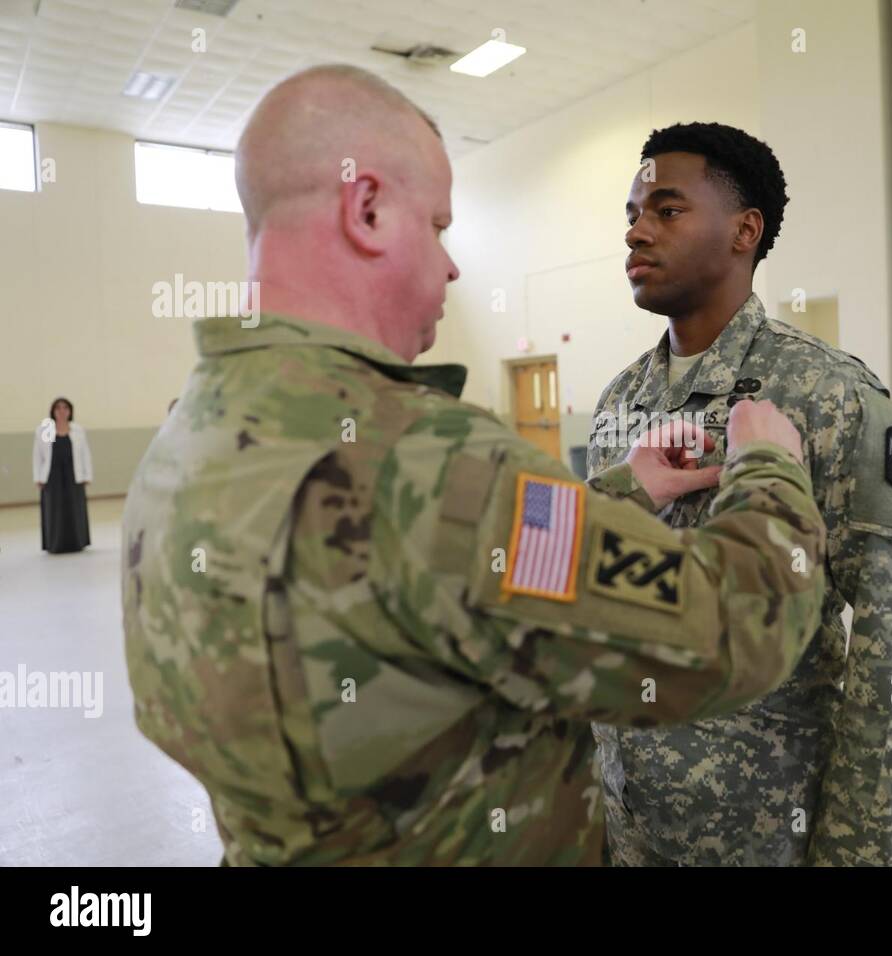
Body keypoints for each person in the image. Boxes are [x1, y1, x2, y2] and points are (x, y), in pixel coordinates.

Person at [121, 65, 829, 867]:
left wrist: (623, 490)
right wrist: (769, 466)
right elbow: (729, 633)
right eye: (439, 226)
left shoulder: (188, 437)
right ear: (369, 209)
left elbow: (420, 569)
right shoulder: (426, 458)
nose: (452, 267)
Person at [588, 122, 892, 867]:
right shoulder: (621, 399)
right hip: (627, 818)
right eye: (631, 214)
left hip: (757, 831)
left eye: (666, 209)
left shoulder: (832, 396)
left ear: (743, 231)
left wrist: (854, 856)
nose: (636, 233)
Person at [32, 397, 92, 553]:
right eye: (58, 408)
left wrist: (87, 474)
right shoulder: (46, 429)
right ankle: (55, 544)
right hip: (52, 476)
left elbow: (85, 453)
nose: (62, 411)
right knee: (54, 510)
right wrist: (38, 477)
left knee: (75, 508)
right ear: (53, 411)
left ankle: (77, 542)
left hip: (74, 474)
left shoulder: (77, 430)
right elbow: (38, 455)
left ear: (70, 411)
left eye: (65, 408)